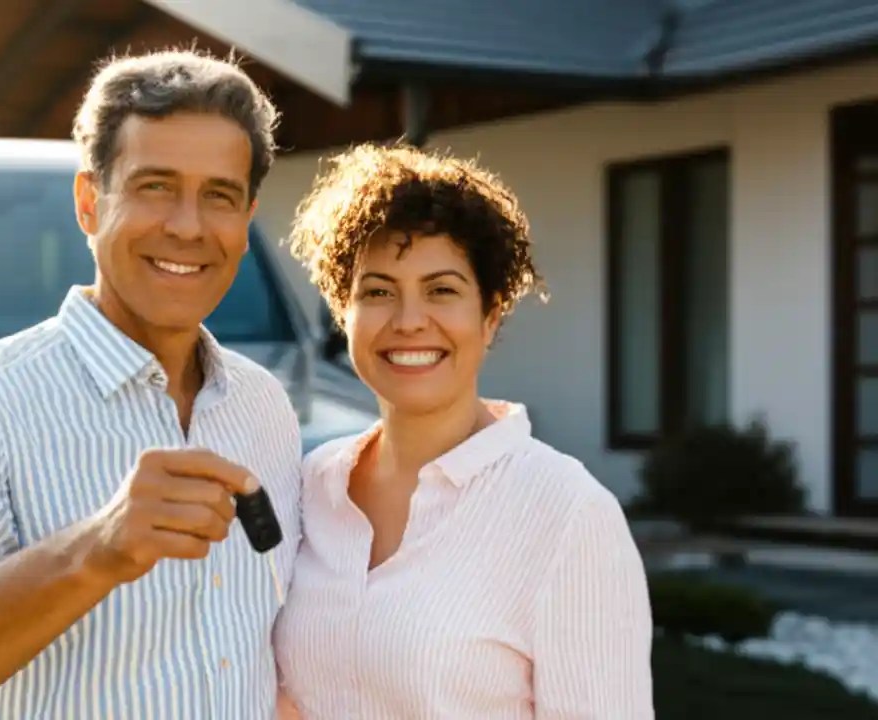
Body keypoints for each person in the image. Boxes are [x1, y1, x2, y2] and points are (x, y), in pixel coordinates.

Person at [0, 49, 304, 719]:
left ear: (245, 223)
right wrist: (99, 549)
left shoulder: (265, 406)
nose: (187, 225)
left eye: (220, 196)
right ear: (90, 202)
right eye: (155, 186)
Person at [272, 144, 655, 718]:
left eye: (441, 290)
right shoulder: (306, 488)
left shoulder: (568, 515)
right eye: (377, 291)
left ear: (492, 311)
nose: (407, 321)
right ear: (341, 312)